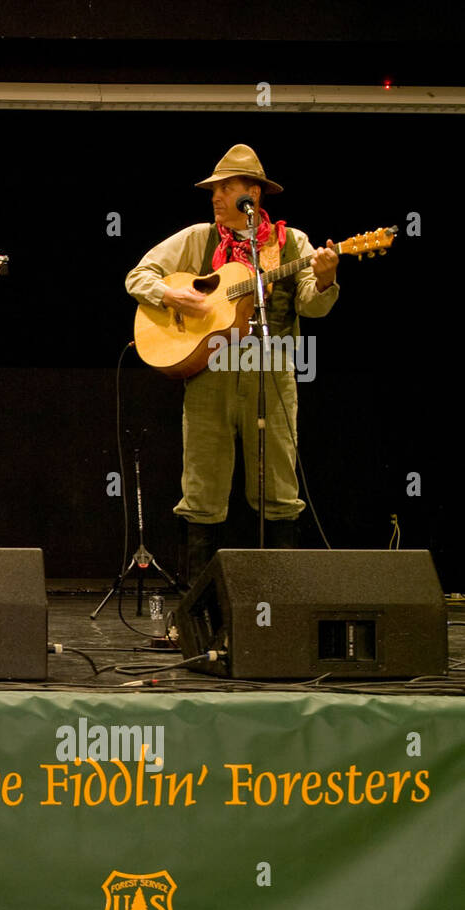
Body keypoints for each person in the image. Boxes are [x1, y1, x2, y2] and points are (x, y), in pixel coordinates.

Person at [124, 144, 339, 583]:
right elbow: (138, 276)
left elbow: (311, 308)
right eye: (214, 189)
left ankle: (280, 605)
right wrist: (172, 294)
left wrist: (326, 277)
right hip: (210, 374)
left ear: (252, 193)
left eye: (225, 188)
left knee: (279, 488)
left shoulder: (291, 243)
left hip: (273, 372)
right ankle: (199, 618)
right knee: (201, 490)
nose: (215, 197)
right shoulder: (198, 239)